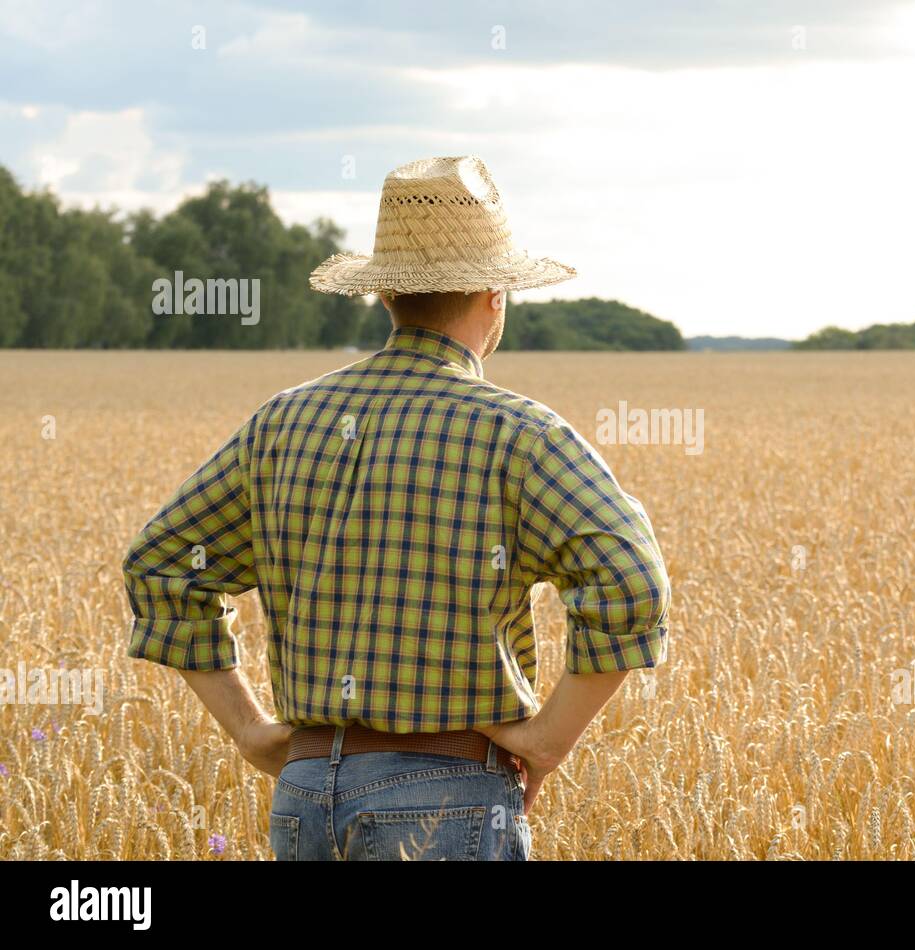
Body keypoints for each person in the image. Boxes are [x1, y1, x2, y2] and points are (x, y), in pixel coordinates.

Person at [121, 156, 671, 861]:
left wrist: (252, 730)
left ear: (386, 295)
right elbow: (631, 580)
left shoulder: (282, 422)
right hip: (450, 799)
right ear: (494, 294)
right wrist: (547, 741)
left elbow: (162, 564)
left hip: (304, 797)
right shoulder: (521, 434)